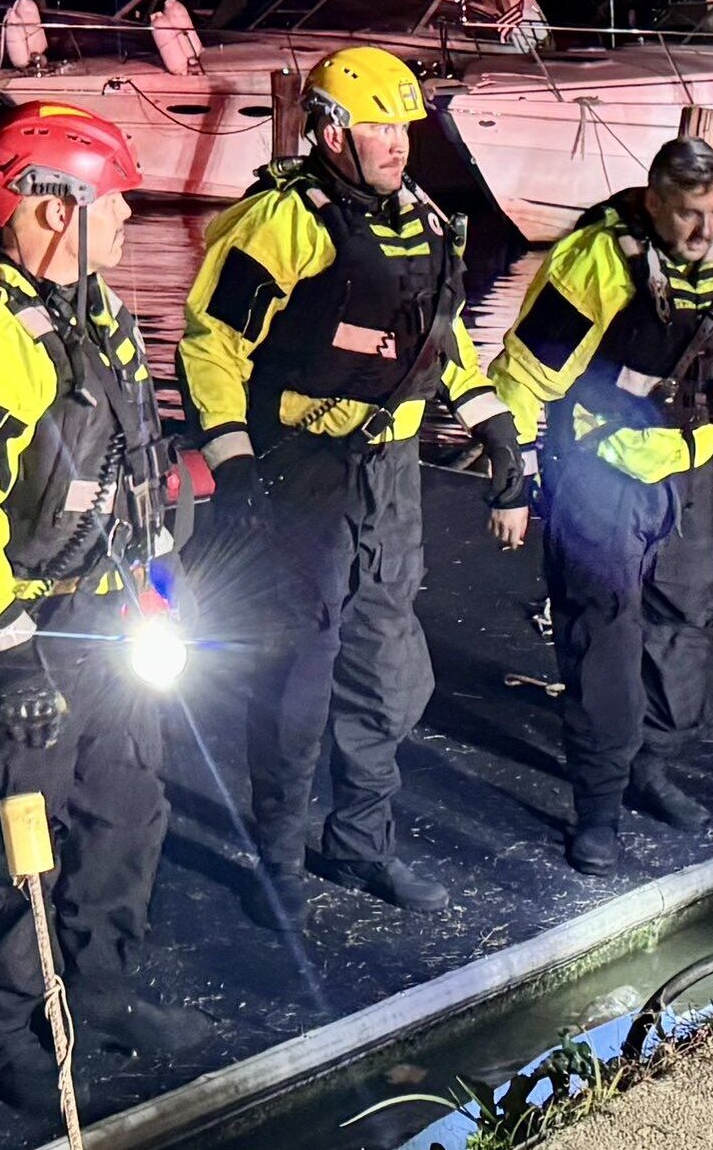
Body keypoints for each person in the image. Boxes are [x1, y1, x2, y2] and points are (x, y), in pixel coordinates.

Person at [0, 102, 207, 1111]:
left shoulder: (98, 314)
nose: (127, 218)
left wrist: (162, 585)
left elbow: (133, 467)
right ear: (52, 207)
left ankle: (98, 991)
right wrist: (6, 646)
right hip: (27, 630)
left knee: (127, 811)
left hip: (112, 619)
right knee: (12, 836)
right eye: (113, 201)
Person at [179, 46, 522, 931]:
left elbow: (444, 343)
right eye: (376, 126)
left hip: (392, 470)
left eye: (403, 125)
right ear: (331, 131)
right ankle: (279, 859)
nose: (397, 142)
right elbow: (212, 346)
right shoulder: (283, 222)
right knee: (299, 666)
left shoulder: (426, 221)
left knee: (384, 659)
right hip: (302, 468)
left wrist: (496, 432)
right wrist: (234, 460)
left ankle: (362, 841)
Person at [486, 137, 713, 876]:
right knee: (604, 638)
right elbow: (521, 375)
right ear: (655, 203)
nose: (706, 231)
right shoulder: (594, 264)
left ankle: (652, 765)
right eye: (689, 214)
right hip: (602, 474)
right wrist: (513, 482)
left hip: (690, 473)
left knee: (688, 622)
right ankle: (598, 807)